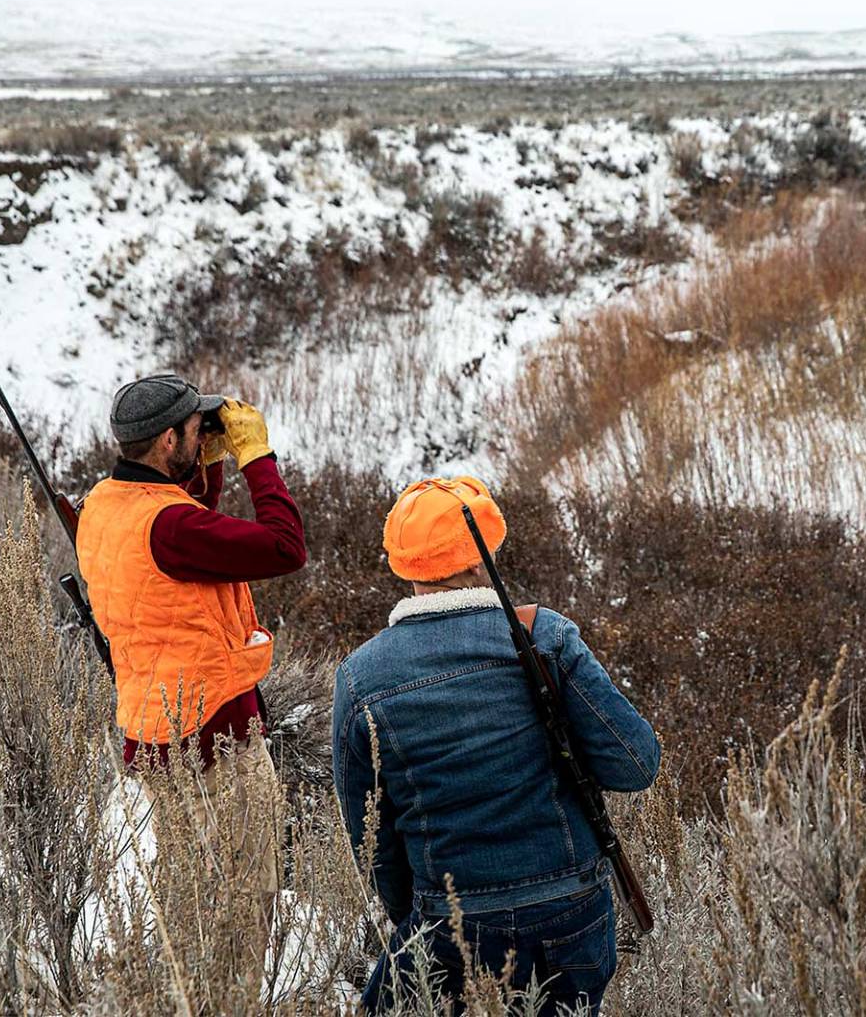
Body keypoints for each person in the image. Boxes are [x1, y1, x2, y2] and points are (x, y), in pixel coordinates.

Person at [333, 476, 659, 1015]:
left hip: (449, 917)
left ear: (406, 566)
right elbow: (635, 763)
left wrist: (423, 917)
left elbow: (373, 843)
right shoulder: (544, 637)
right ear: (482, 560)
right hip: (572, 909)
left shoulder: (360, 678)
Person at [75, 373, 307, 976]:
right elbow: (284, 547)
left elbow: (183, 542)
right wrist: (257, 458)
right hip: (215, 736)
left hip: (152, 732)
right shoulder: (172, 528)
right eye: (194, 431)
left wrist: (208, 469)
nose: (202, 437)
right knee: (244, 898)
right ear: (169, 439)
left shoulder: (103, 505)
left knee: (192, 901)